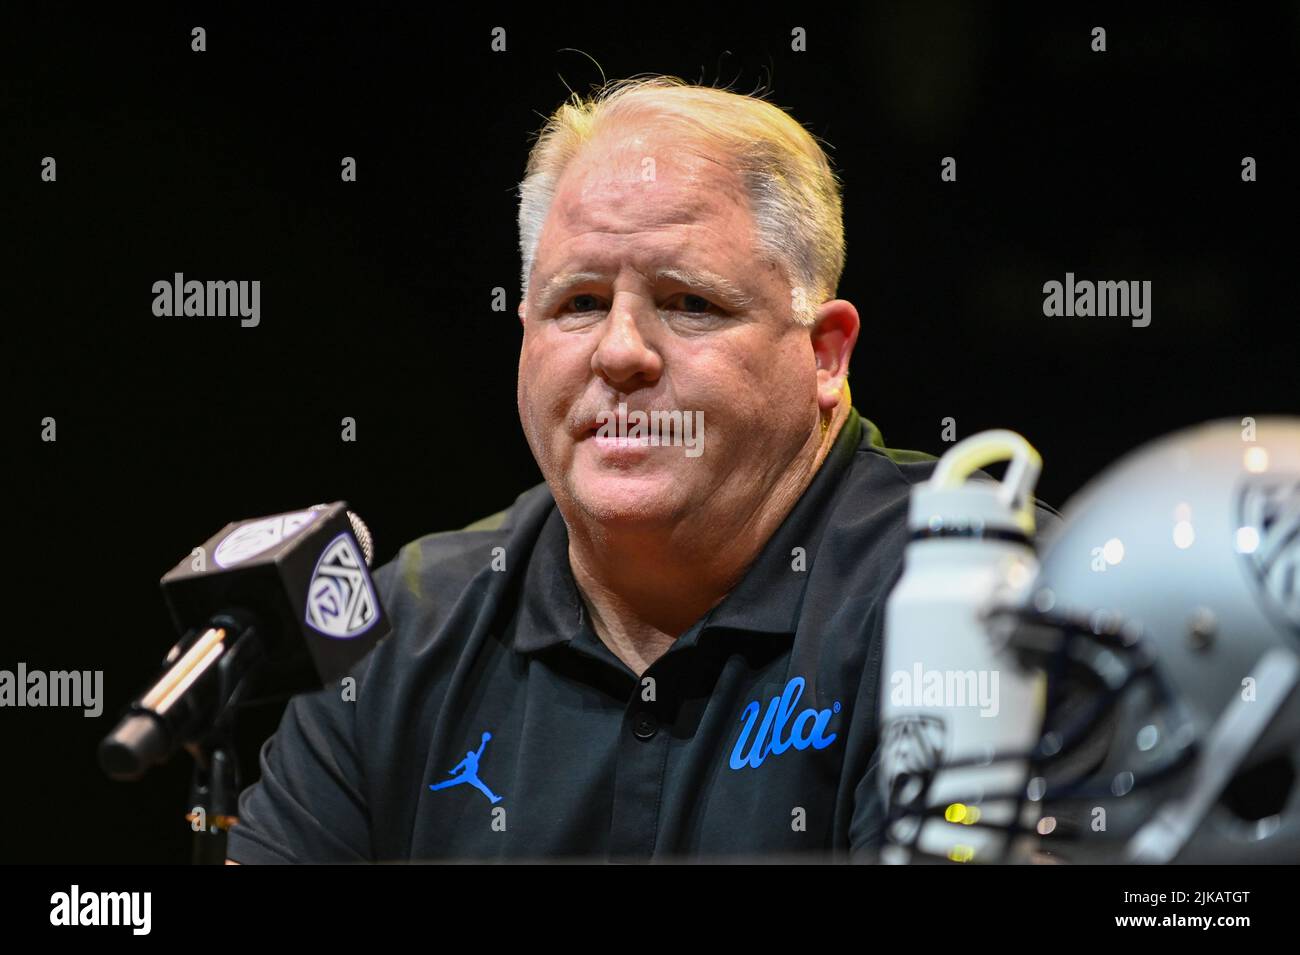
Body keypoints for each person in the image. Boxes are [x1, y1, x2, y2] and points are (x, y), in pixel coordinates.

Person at [225, 75, 1061, 864]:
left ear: (822, 354)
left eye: (690, 303)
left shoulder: (985, 590)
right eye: (579, 303)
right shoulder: (398, 634)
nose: (620, 352)